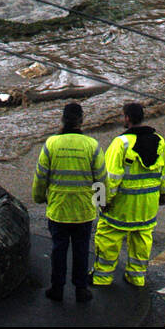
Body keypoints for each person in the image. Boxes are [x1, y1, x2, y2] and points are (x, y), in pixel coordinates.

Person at [32, 100, 107, 303]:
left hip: (59, 210)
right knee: (82, 251)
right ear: (81, 121)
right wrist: (101, 203)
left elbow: (41, 177)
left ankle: (57, 288)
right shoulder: (92, 146)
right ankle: (80, 290)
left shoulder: (52, 144)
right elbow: (101, 179)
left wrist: (39, 197)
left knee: (58, 250)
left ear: (62, 120)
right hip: (83, 211)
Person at [93, 102, 165, 289]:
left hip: (121, 207)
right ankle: (136, 278)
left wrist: (102, 201)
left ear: (127, 118)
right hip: (147, 206)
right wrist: (163, 195)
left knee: (107, 240)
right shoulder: (159, 141)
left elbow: (110, 179)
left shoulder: (120, 144)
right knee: (142, 241)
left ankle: (102, 278)